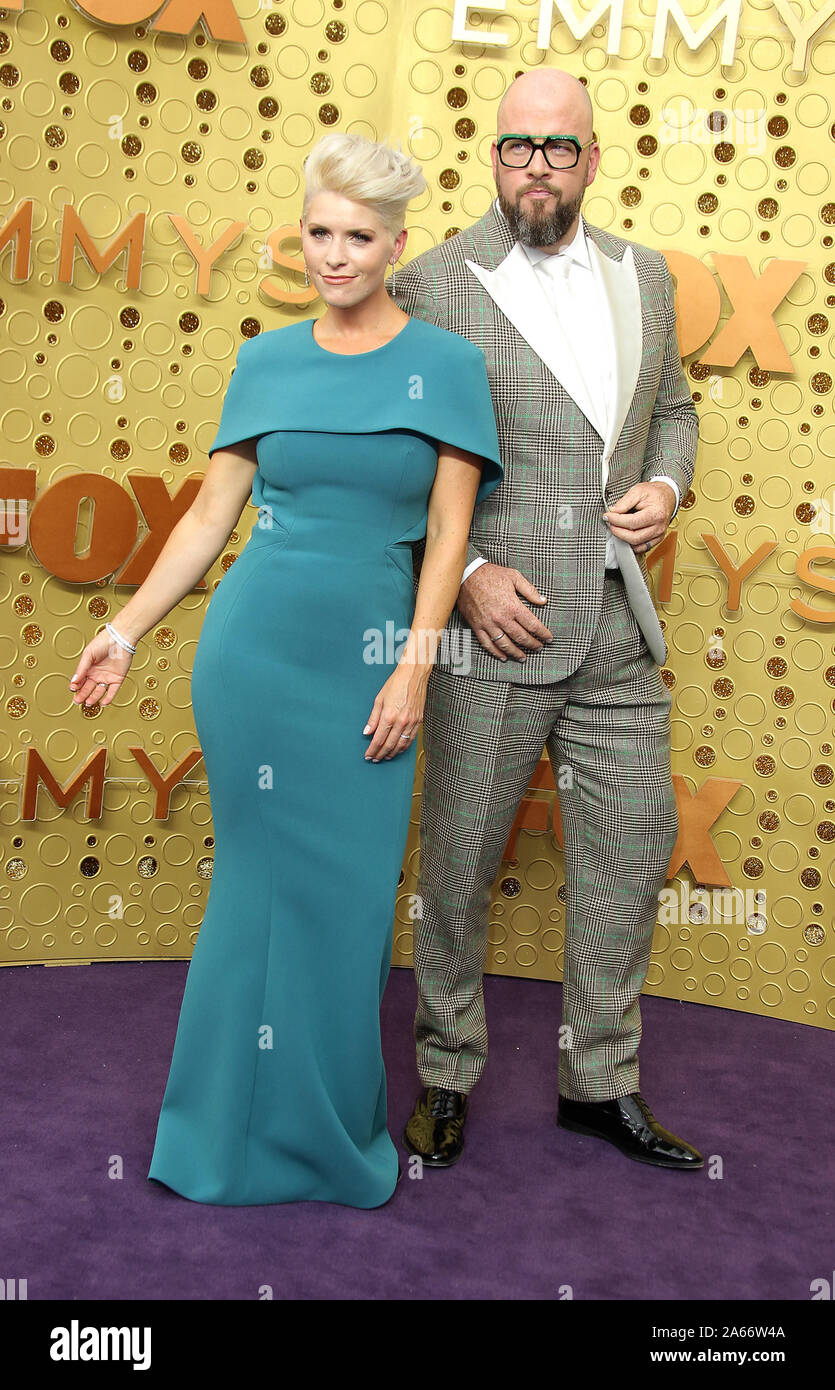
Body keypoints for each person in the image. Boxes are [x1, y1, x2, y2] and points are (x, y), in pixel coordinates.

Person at [67, 132, 503, 1208]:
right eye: (318, 233)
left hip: (369, 658)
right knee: (254, 894)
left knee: (347, 902)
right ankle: (217, 1135)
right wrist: (123, 630)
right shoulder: (265, 360)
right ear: (300, 235)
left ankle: (319, 1135)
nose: (335, 255)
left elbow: (448, 539)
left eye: (358, 237)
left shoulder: (442, 364)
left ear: (396, 245)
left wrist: (414, 669)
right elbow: (211, 514)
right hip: (255, 653)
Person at [390, 69, 704, 1171]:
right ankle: (444, 1071)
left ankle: (599, 1081)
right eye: (517, 145)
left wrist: (666, 488)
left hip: (618, 630)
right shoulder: (430, 281)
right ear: (492, 156)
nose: (536, 165)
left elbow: (672, 411)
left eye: (557, 148)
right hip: (495, 631)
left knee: (626, 858)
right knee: (461, 862)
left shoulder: (646, 275)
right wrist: (467, 565)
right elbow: (395, 456)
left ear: (590, 159)